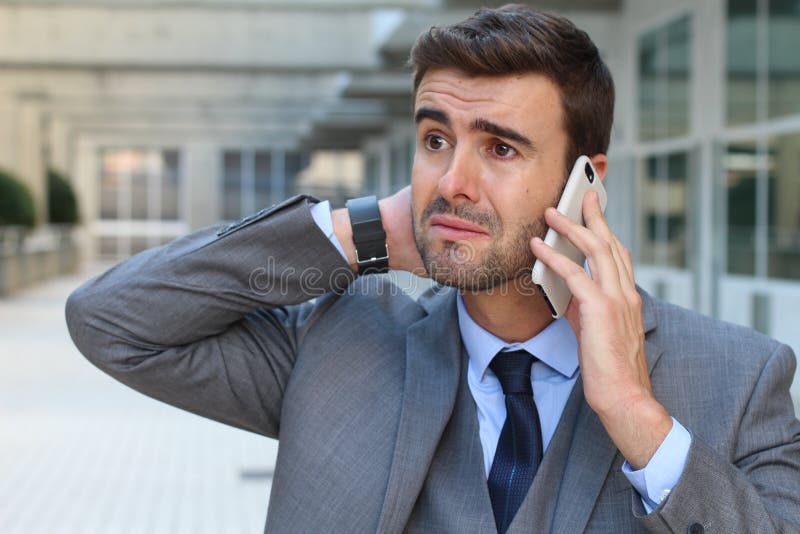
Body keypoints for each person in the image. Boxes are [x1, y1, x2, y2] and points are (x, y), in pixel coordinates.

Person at [66, 5, 800, 533]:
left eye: (501, 148)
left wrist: (637, 418)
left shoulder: (741, 378)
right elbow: (113, 324)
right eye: (435, 139)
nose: (453, 180)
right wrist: (366, 232)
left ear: (587, 182)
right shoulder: (337, 349)